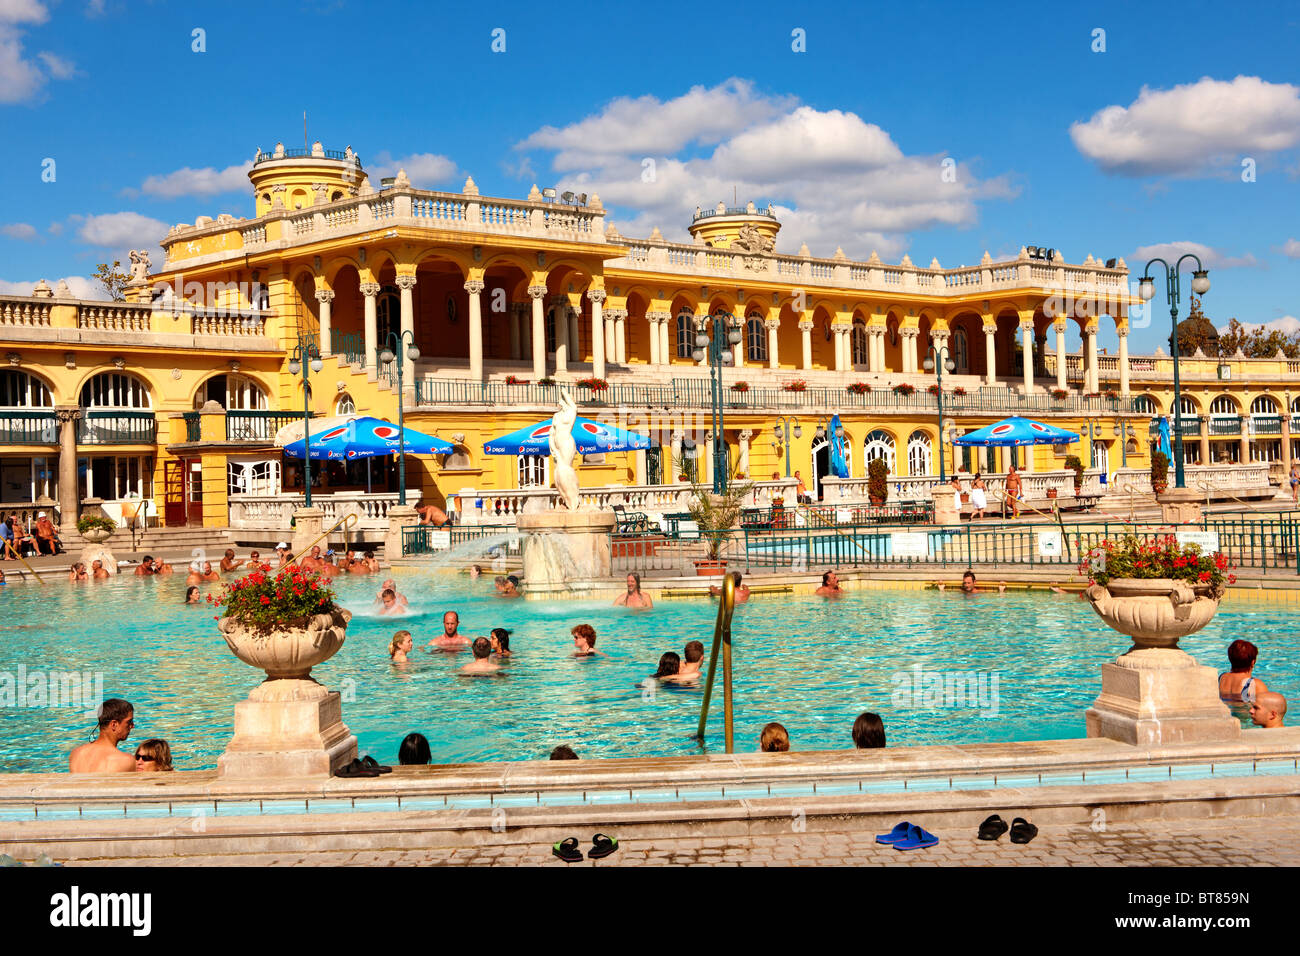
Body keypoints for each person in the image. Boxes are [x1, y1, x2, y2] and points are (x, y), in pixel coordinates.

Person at [69, 698, 137, 773]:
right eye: (129, 722)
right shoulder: (126, 761)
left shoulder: (76, 754)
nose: (132, 726)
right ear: (114, 725)